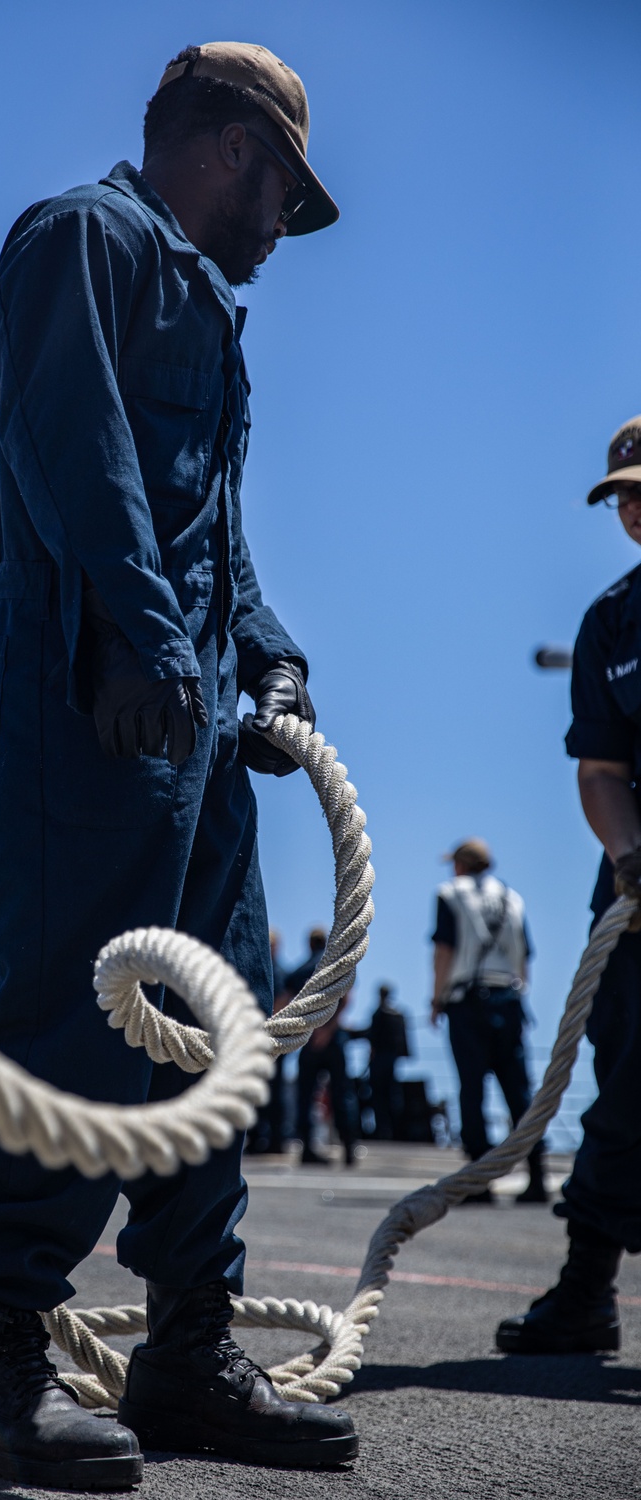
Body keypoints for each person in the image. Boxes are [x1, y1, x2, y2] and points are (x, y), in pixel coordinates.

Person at [0, 42, 357, 1487]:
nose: (281, 233)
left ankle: (187, 1352)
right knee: (67, 1015)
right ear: (235, 149)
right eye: (286, 198)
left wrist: (268, 650)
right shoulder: (84, 240)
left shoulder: (204, 313)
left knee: (208, 1032)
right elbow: (75, 441)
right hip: (82, 696)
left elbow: (206, 528)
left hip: (192, 722)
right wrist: (142, 636)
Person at [497, 417, 641, 1355]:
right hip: (637, 887)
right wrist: (630, 860)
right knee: (626, 1074)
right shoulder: (611, 622)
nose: (633, 507)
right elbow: (600, 769)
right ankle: (587, 1288)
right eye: (623, 494)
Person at [430, 839, 545, 1205]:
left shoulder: (450, 894)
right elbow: (524, 956)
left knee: (472, 1089)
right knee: (519, 1092)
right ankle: (537, 1175)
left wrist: (437, 998)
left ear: (461, 865)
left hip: (468, 1001)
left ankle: (479, 1181)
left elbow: (444, 949)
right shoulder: (513, 899)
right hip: (509, 999)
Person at [285, 928, 359, 1166]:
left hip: (309, 1039)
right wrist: (328, 1030)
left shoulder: (300, 971)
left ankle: (306, 1149)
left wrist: (312, 1031)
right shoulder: (336, 968)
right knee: (342, 1093)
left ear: (308, 944)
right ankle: (349, 1149)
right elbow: (347, 999)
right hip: (334, 1039)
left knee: (306, 1094)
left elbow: (286, 1002)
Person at [246, 928, 289, 1153]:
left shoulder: (274, 971)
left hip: (269, 1038)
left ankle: (272, 1139)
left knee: (270, 1092)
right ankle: (264, 1137)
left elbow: (282, 1000)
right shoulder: (273, 969)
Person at [360, 984, 409, 1140]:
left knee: (380, 1097)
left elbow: (372, 1039)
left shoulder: (379, 1014)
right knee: (393, 1096)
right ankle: (396, 1131)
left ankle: (383, 1131)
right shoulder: (398, 1014)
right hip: (392, 1060)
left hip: (380, 1061)